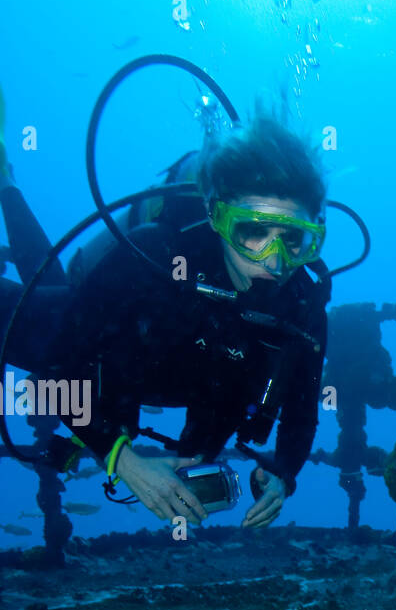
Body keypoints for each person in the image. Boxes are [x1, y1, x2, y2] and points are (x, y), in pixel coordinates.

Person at [0, 103, 331, 528]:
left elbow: (302, 412)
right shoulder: (153, 257)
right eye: (251, 232)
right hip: (105, 340)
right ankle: (6, 179)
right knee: (30, 309)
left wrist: (284, 473)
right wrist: (124, 460)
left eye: (293, 239)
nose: (274, 261)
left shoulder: (304, 306)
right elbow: (56, 373)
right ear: (217, 218)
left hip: (168, 376)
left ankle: (6, 181)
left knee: (45, 280)